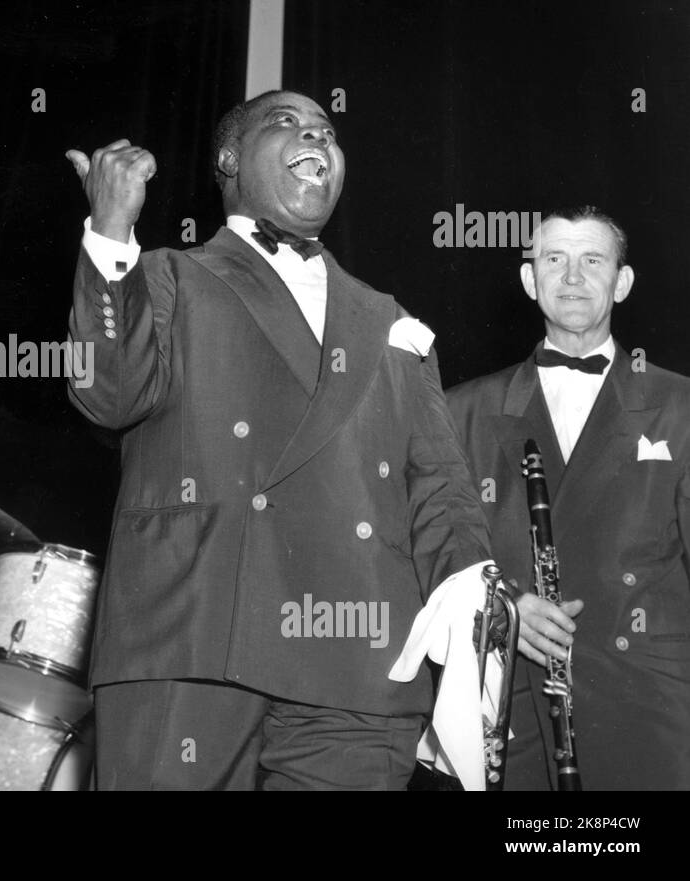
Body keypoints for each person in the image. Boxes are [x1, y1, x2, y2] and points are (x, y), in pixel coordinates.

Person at [63, 90, 492, 790]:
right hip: (195, 641)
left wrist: (470, 590)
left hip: (360, 668)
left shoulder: (390, 319)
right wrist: (110, 232)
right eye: (286, 122)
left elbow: (439, 480)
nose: (315, 136)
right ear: (229, 158)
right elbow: (105, 393)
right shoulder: (169, 276)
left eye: (326, 129)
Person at [446, 207, 690, 790]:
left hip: (649, 708)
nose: (573, 276)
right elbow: (436, 554)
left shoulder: (680, 406)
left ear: (622, 282)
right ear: (531, 280)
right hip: (516, 710)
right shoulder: (462, 410)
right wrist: (504, 608)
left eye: (592, 260)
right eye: (554, 259)